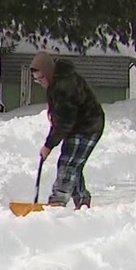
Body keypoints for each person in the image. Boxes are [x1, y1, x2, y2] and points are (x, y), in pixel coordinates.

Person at [30, 51, 105, 210]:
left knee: (68, 164)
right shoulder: (54, 81)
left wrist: (49, 145)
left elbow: (65, 121)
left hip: (89, 126)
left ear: (48, 71)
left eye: (41, 78)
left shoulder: (65, 85)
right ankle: (82, 201)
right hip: (75, 126)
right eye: (37, 80)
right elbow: (60, 117)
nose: (40, 82)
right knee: (73, 164)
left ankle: (57, 203)